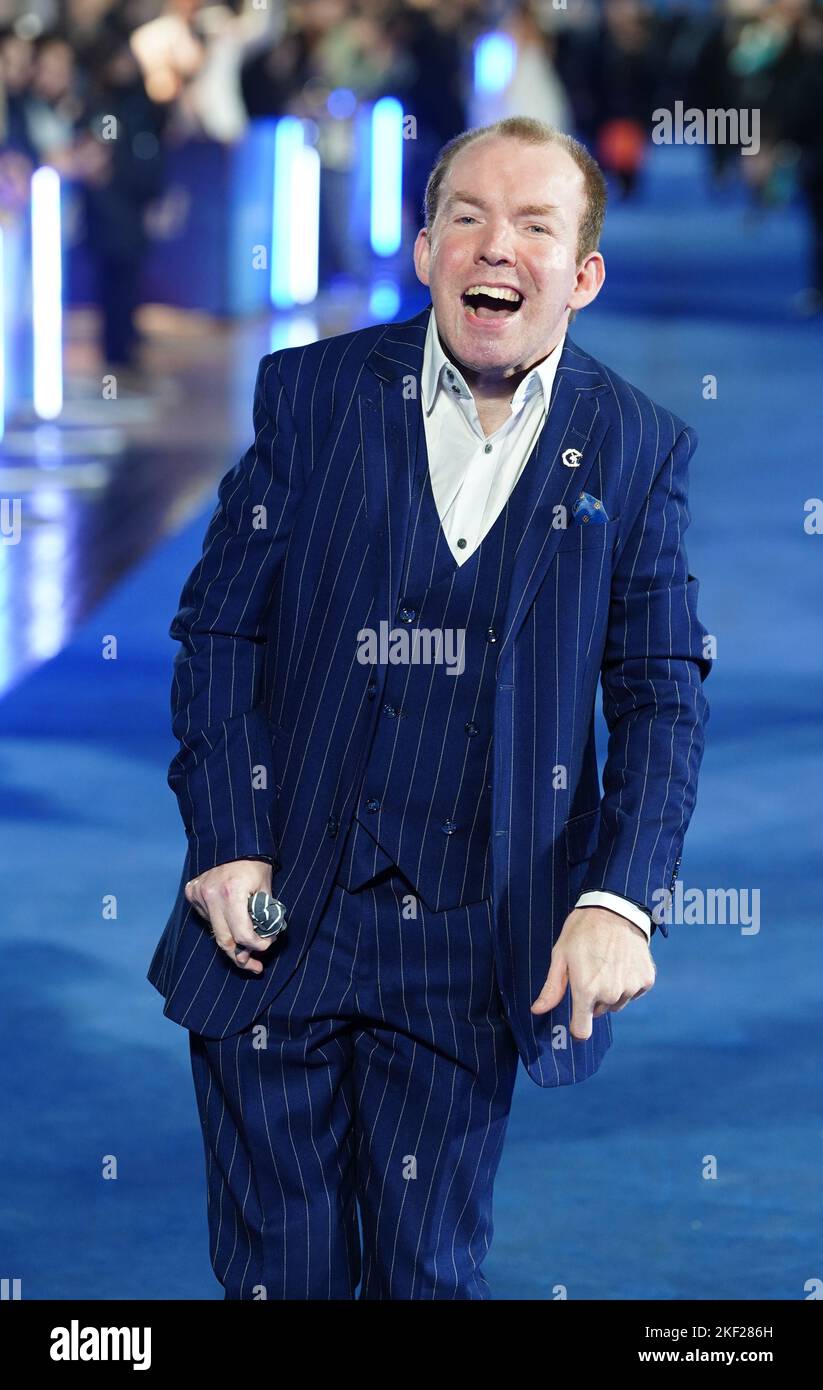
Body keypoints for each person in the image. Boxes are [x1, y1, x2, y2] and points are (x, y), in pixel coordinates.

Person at [147, 115, 712, 1301]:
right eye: (465, 217)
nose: (492, 246)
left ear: (583, 275)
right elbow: (219, 629)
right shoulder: (312, 397)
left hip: (470, 949)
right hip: (278, 924)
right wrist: (227, 835)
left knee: (426, 1276)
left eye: (532, 225)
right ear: (423, 249)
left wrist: (620, 897)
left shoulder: (633, 449)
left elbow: (659, 694)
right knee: (279, 1278)